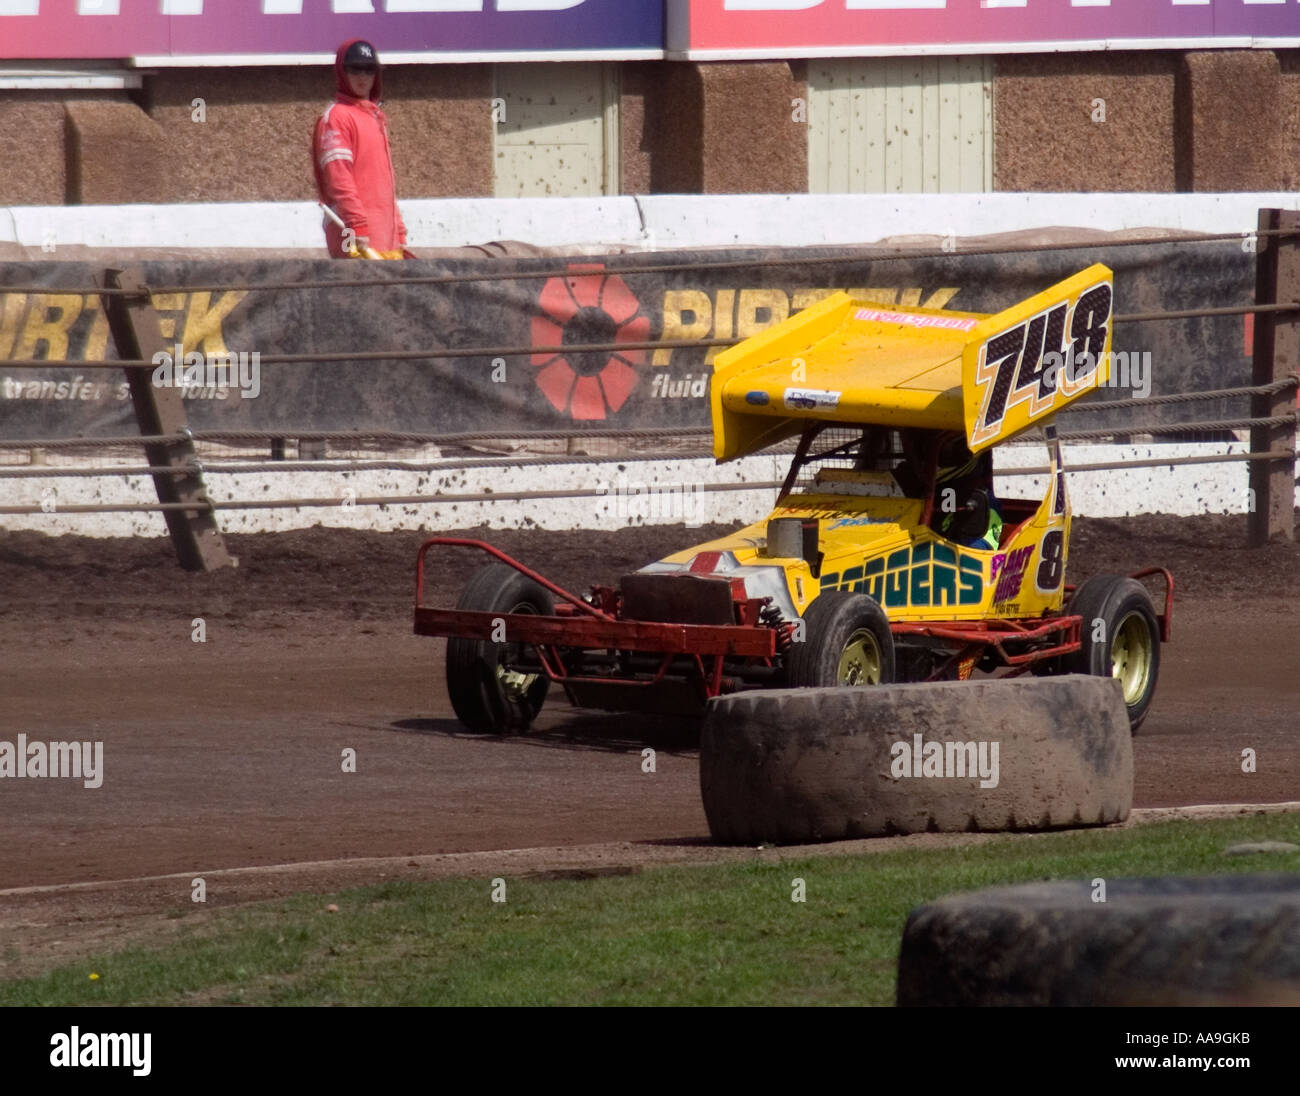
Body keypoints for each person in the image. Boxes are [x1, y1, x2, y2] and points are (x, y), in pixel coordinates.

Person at [312, 39, 410, 259]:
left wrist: (399, 232)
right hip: (356, 239)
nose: (362, 77)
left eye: (369, 70)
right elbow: (340, 180)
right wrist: (357, 225)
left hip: (385, 239)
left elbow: (383, 185)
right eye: (355, 70)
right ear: (342, 73)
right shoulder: (337, 117)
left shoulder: (375, 116)